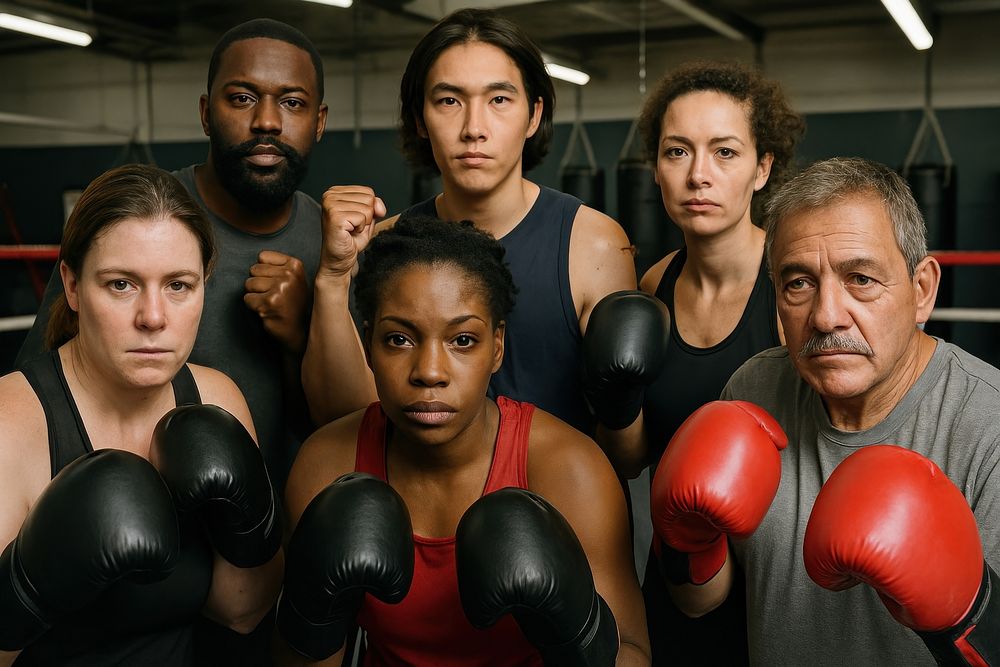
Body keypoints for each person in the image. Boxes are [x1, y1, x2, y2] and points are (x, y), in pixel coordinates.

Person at [651, 157, 1000, 665]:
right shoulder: (754, 390)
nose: (826, 315)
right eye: (799, 283)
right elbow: (698, 601)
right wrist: (688, 540)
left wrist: (965, 614)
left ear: (921, 290)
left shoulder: (988, 424)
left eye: (860, 278)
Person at [275, 216, 650, 665]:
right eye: (398, 339)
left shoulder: (565, 467)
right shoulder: (328, 463)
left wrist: (580, 638)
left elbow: (633, 653)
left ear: (497, 347)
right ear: (369, 344)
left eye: (463, 340)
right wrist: (310, 620)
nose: (429, 371)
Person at [15, 18, 328, 494]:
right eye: (242, 98)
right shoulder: (134, 221)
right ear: (206, 113)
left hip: (266, 524)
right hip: (104, 511)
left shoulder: (335, 245)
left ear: (319, 121)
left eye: (292, 102)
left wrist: (302, 334)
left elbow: (353, 420)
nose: (266, 121)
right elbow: (37, 395)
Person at [302, 8, 636, 446]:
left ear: (533, 115)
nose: (473, 128)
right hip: (415, 507)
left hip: (558, 502)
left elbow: (624, 455)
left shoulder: (593, 246)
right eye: (448, 101)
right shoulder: (388, 245)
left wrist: (625, 404)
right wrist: (332, 277)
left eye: (499, 100)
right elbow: (344, 424)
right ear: (420, 119)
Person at [0, 164, 283, 666]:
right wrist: (29, 585)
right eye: (121, 285)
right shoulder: (12, 422)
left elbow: (240, 611)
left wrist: (250, 528)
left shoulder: (216, 398)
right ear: (71, 285)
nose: (153, 317)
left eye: (178, 285)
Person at [579, 60, 804, 664]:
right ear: (656, 168)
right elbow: (631, 459)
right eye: (678, 152)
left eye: (725, 152)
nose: (698, 175)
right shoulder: (654, 286)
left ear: (763, 168)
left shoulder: (793, 289)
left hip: (781, 577)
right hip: (678, 565)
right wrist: (618, 400)